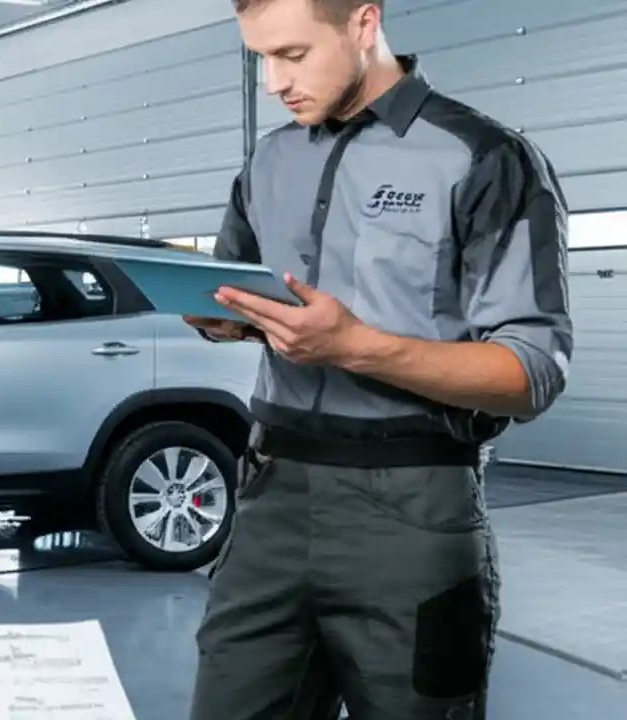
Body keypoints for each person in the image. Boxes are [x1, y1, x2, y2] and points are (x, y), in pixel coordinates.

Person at [184, 0, 574, 718]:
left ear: (364, 24)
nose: (273, 82)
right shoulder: (268, 160)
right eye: (260, 59)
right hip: (270, 498)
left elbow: (532, 372)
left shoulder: (484, 157)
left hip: (413, 510)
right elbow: (236, 290)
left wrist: (357, 348)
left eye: (293, 56)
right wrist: (221, 319)